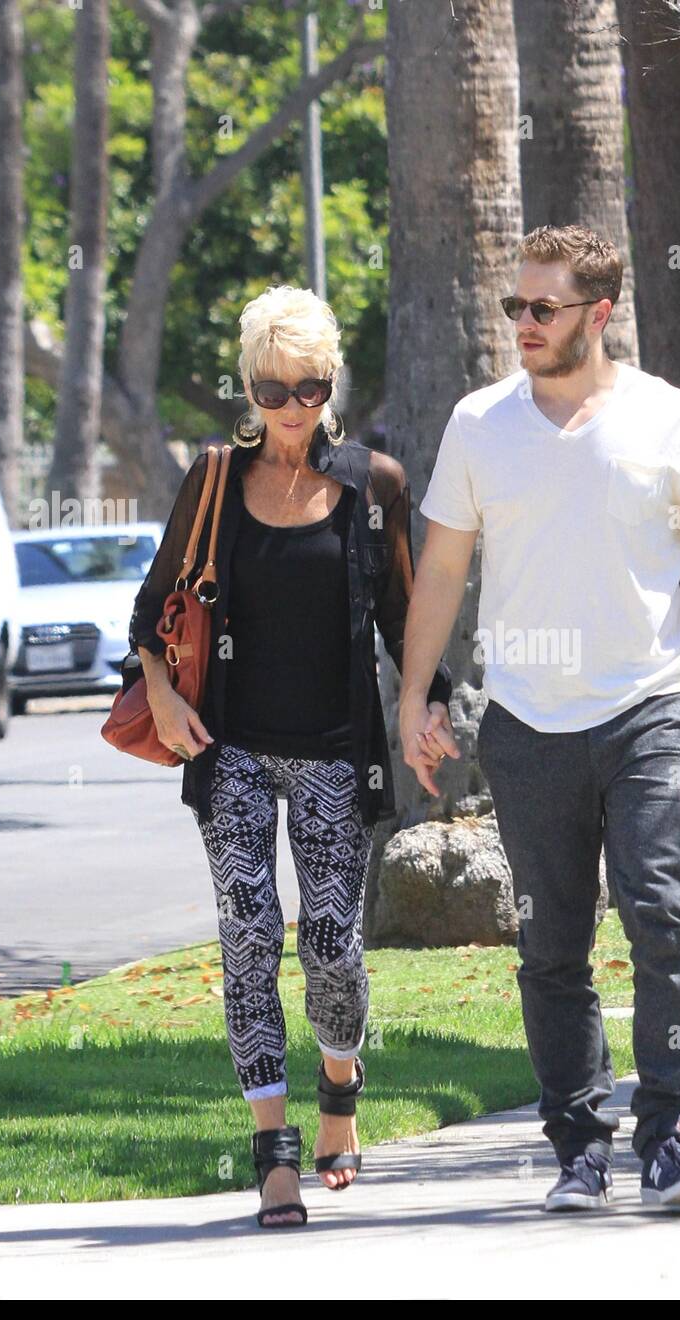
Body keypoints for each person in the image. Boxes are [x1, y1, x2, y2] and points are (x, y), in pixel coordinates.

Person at [400, 224, 680, 1212]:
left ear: (597, 314)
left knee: (663, 916)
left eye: (541, 308)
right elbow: (440, 571)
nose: (522, 324)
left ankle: (671, 1135)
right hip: (524, 721)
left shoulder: (666, 419)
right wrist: (415, 696)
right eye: (515, 306)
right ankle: (576, 1149)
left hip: (648, 708)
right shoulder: (479, 424)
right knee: (550, 945)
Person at [124, 285, 457, 1227]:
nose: (290, 410)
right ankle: (272, 1150)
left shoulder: (372, 485)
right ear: (247, 385)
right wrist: (160, 689)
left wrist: (426, 706)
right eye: (272, 390)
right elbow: (151, 616)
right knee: (245, 933)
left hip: (330, 753)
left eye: (308, 388)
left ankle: (340, 1093)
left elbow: (402, 622)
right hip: (229, 750)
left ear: (330, 385)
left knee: (333, 948)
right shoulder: (213, 482)